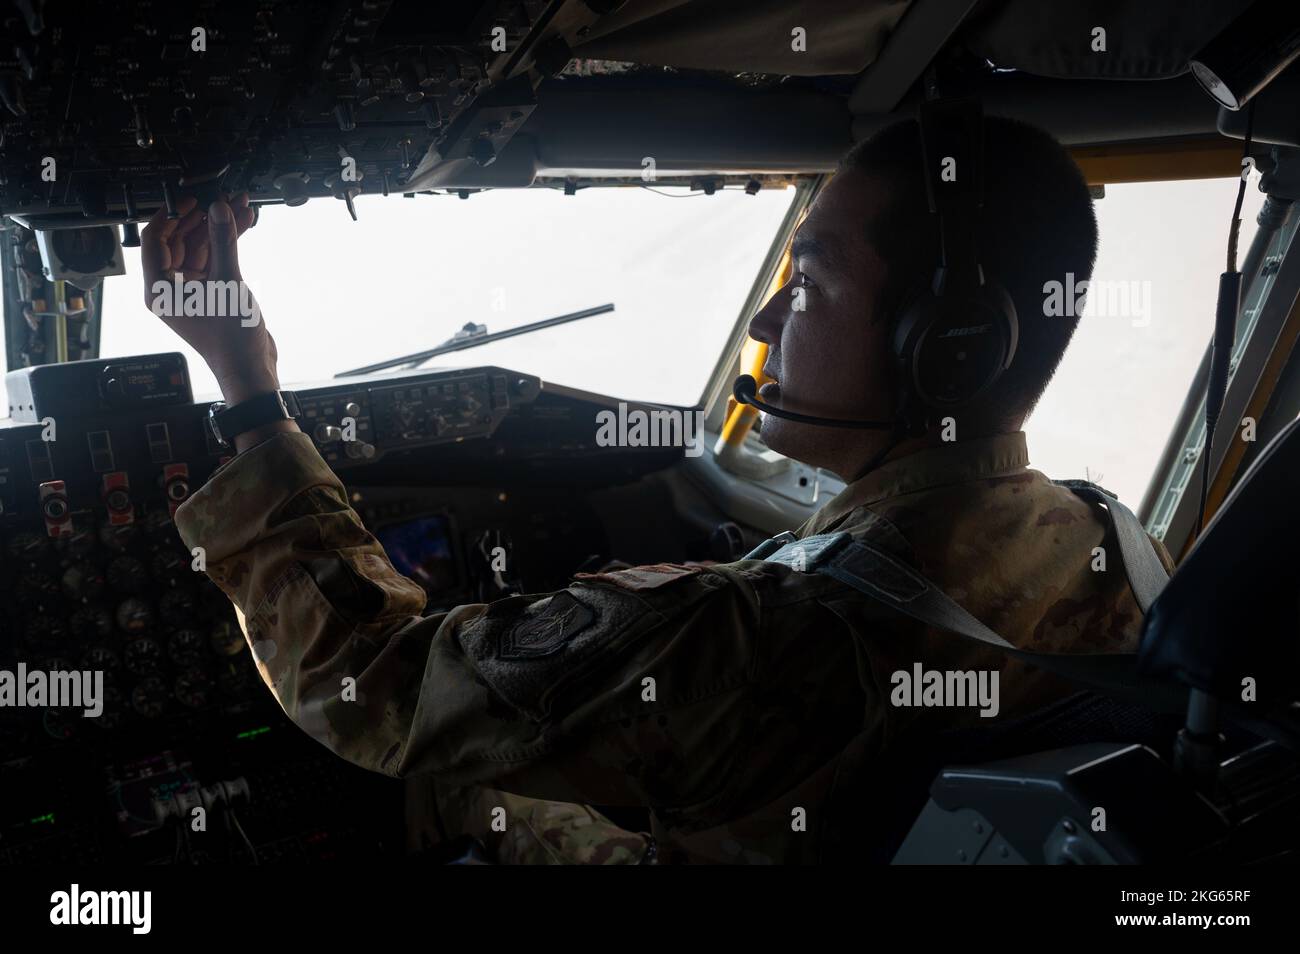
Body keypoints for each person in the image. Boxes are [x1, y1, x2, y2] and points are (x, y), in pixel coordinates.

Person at [142, 115, 1173, 865]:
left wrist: (247, 386)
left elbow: (367, 683)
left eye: (807, 282)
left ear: (945, 351)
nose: (766, 324)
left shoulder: (766, 634)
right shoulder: (1124, 547)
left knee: (443, 779)